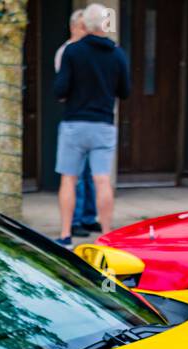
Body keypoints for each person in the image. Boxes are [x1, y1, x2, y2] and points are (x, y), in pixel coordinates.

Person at [52, 3, 129, 246]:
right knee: (102, 180)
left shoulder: (72, 51)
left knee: (69, 179)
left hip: (75, 122)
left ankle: (66, 234)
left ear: (84, 24)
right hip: (104, 124)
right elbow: (125, 91)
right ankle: (106, 235)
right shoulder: (118, 54)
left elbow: (60, 89)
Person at [54, 10, 98, 236]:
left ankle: (90, 216)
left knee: (92, 173)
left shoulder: (90, 51)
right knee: (76, 175)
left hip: (91, 118)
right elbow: (63, 88)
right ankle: (76, 220)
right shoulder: (67, 52)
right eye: (83, 27)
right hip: (76, 118)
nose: (87, 31)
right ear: (74, 27)